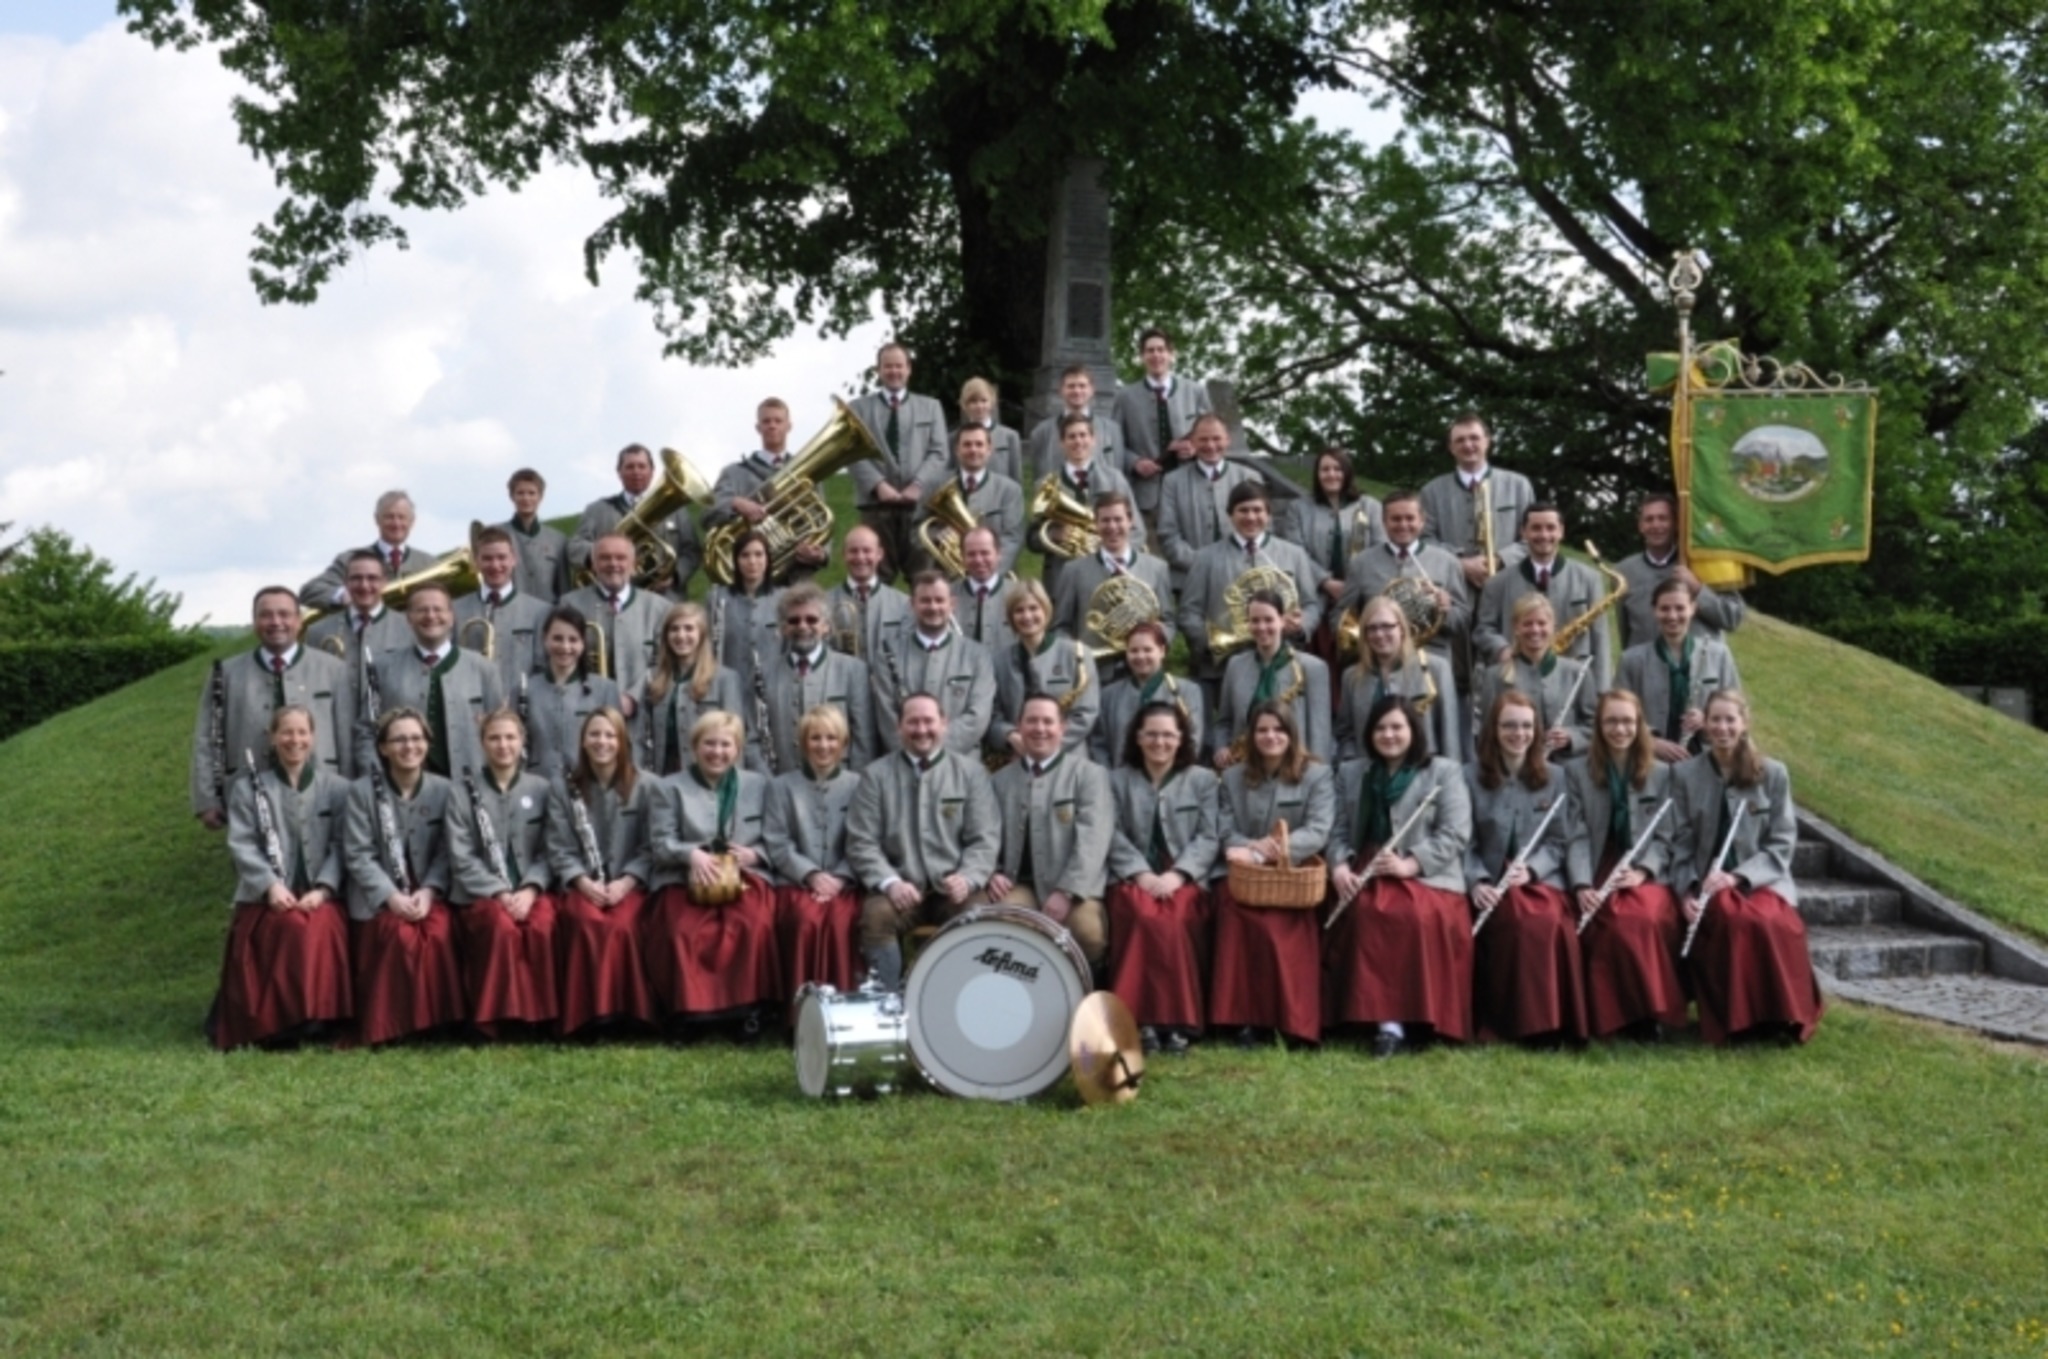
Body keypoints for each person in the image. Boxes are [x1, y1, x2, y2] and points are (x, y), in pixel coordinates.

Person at [1670, 690, 1824, 1045]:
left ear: (1744, 723)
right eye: (1715, 720)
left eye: (1730, 720)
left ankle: (1781, 1014)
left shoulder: (1772, 773)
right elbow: (1678, 843)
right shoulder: (1684, 775)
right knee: (1732, 918)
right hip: (1708, 882)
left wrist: (1739, 876)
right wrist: (1686, 891)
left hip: (1760, 879)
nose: (1722, 728)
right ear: (1703, 724)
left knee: (1777, 924)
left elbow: (1782, 840)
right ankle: (1740, 1021)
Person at [1324, 694, 1474, 1056]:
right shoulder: (1350, 772)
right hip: (1366, 865)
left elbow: (1455, 833)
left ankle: (1406, 1021)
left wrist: (1411, 864)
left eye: (1397, 727)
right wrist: (1339, 866)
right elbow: (1337, 830)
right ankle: (1379, 1021)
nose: (1389, 735)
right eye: (1381, 728)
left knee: (1411, 916)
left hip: (1426, 873)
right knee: (1364, 914)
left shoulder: (1443, 771)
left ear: (1413, 730)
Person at [211, 704, 352, 1050]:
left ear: (313, 738)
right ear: (272, 738)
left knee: (320, 925)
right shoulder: (247, 789)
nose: (295, 740)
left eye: (302, 732)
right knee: (286, 927)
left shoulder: (337, 788)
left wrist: (323, 889)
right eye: (286, 732)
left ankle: (319, 1019)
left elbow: (343, 845)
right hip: (266, 894)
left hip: (319, 892)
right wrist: (271, 886)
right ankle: (280, 1023)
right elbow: (242, 844)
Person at [845, 692, 1003, 988]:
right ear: (899, 727)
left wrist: (968, 878)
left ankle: (966, 997)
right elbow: (861, 842)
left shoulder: (971, 774)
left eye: (929, 721)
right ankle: (888, 1001)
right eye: (912, 722)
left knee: (978, 915)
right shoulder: (875, 776)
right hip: (901, 889)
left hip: (955, 891)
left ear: (944, 723)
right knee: (876, 916)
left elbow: (985, 839)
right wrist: (890, 882)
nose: (921, 730)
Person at [645, 710, 781, 1038]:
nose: (717, 752)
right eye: (709, 743)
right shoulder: (668, 787)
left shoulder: (759, 785)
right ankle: (689, 1014)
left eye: (726, 744)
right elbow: (660, 843)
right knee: (682, 929)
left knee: (752, 923)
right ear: (694, 746)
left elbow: (776, 836)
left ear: (737, 749)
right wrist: (689, 854)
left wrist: (755, 854)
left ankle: (749, 1012)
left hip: (744, 875)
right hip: (683, 876)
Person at [1208, 702, 1336, 1049]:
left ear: (1292, 734)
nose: (1270, 736)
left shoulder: (1317, 774)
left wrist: (1263, 851)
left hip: (1293, 877)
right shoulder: (1232, 776)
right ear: (1251, 735)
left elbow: (1318, 830)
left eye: (1279, 729)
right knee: (1236, 915)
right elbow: (1223, 828)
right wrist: (1248, 852)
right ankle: (1242, 1020)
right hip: (1242, 876)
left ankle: (1293, 1020)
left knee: (1285, 928)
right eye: (1262, 730)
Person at [1464, 690, 1586, 1045]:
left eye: (1526, 726)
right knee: (1513, 920)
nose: (1518, 733)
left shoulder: (1557, 777)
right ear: (1493, 730)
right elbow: (1465, 842)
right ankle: (1512, 1021)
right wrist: (1477, 881)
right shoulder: (1469, 776)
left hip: (1539, 877)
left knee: (1544, 921)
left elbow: (1560, 841)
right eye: (1509, 726)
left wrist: (1530, 872)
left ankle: (1545, 1023)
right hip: (1490, 877)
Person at [1564, 688, 1687, 1041]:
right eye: (1611, 721)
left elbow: (1667, 836)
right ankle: (1614, 1015)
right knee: (1605, 917)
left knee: (1641, 917)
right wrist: (1582, 884)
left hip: (1646, 869)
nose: (1620, 729)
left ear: (1640, 725)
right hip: (1599, 863)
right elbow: (1575, 835)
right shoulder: (1576, 772)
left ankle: (1646, 1013)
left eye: (1628, 721)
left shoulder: (1663, 774)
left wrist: (1644, 871)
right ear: (1599, 726)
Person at [1104, 700, 1221, 1055]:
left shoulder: (1202, 780)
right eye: (1151, 734)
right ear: (1137, 737)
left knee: (1175, 918)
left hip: (1182, 876)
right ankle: (1141, 1021)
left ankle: (1177, 1023)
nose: (1160, 742)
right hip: (1132, 874)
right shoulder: (1116, 780)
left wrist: (1178, 875)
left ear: (1182, 738)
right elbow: (1110, 832)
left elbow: (1209, 835)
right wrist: (1139, 873)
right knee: (1140, 915)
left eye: (1168, 735)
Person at [344, 707, 463, 1045]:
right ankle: (393, 1025)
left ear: (427, 743)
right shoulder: (361, 792)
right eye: (398, 740)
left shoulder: (445, 790)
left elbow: (447, 851)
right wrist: (391, 896)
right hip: (380, 893)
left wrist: (429, 890)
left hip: (427, 888)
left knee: (437, 930)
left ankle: (438, 1021)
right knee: (396, 933)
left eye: (416, 738)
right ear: (383, 748)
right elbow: (358, 853)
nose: (409, 746)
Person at [191, 586, 353, 828]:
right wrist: (207, 799)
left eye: (284, 614)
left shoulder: (334, 669)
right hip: (249, 798)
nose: (276, 622)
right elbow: (207, 738)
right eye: (266, 615)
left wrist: (352, 791)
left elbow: (348, 734)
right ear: (254, 621)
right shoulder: (225, 673)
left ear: (299, 621)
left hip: (324, 795)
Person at [446, 708, 560, 1038]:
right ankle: (496, 1018)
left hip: (530, 890)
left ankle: (539, 1017)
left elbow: (551, 849)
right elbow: (461, 855)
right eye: (494, 738)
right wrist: (498, 891)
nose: (503, 745)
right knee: (499, 925)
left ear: (523, 741)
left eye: (510, 737)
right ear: (482, 743)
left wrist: (531, 889)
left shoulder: (541, 788)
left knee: (541, 924)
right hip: (482, 893)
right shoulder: (461, 792)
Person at [545, 707, 658, 1037]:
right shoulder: (563, 787)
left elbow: (653, 846)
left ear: (623, 741)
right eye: (594, 734)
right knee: (587, 922)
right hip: (584, 882)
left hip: (631, 882)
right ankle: (588, 1016)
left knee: (623, 924)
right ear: (582, 741)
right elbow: (558, 846)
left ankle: (632, 1014)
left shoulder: (648, 785)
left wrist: (626, 882)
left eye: (610, 735)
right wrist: (581, 881)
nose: (602, 741)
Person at [982, 694, 1115, 972]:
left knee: (1087, 932)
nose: (1039, 728)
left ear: (1062, 728)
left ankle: (1090, 1000)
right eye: (1031, 721)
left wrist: (1067, 891)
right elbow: (984, 834)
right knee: (1001, 923)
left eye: (1047, 721)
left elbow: (1094, 839)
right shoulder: (998, 781)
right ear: (1019, 727)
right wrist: (991, 872)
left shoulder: (1089, 775)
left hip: (1074, 887)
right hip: (1019, 885)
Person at [1177, 480, 1326, 704]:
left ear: (1269, 514)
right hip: (1224, 667)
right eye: (1243, 510)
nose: (1250, 517)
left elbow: (1311, 604)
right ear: (1230, 515)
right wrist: (1213, 643)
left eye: (1257, 510)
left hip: (1282, 661)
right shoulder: (1205, 558)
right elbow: (1189, 612)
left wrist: (1300, 627)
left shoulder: (1294, 554)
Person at [763, 705, 866, 999]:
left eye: (832, 738)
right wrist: (810, 875)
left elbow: (866, 840)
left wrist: (842, 877)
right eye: (815, 738)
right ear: (803, 742)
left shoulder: (860, 785)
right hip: (797, 882)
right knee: (805, 919)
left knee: (841, 920)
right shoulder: (781, 787)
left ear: (844, 743)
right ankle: (800, 1008)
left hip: (846, 882)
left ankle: (845, 1002)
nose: (824, 746)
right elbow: (777, 841)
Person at [372, 582, 505, 780]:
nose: (431, 616)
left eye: (438, 609)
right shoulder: (383, 668)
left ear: (452, 617)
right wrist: (377, 774)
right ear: (408, 618)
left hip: (472, 783)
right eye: (421, 610)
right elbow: (367, 729)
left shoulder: (484, 668)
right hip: (405, 786)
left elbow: (501, 727)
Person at [1472, 502, 1614, 681]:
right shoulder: (1497, 583)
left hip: (1574, 679)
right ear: (1523, 532)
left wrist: (1602, 690)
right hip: (1516, 678)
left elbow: (1600, 638)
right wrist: (1502, 650)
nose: (1544, 535)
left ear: (1561, 531)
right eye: (1536, 528)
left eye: (1550, 528)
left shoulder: (1589, 578)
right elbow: (1483, 630)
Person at [1335, 489, 1470, 676]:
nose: (1403, 525)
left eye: (1410, 518)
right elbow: (1341, 614)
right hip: (1378, 663)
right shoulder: (1362, 563)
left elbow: (1462, 620)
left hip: (1431, 664)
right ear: (1384, 523)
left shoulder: (1448, 562)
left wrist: (1445, 611)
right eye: (1395, 519)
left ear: (1422, 521)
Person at [847, 342, 951, 580]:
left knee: (925, 577)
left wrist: (918, 485)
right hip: (876, 508)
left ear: (909, 369)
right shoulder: (859, 408)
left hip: (921, 508)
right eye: (888, 366)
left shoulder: (931, 407)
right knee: (874, 577)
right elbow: (852, 452)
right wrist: (878, 485)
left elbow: (939, 452)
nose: (894, 371)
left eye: (899, 366)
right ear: (879, 370)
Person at [751, 583, 878, 775]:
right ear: (783, 628)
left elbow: (864, 739)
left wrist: (854, 783)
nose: (803, 626)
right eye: (794, 620)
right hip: (782, 788)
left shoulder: (854, 671)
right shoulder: (763, 674)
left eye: (812, 619)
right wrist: (770, 783)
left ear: (826, 626)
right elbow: (753, 738)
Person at [1616, 577, 1744, 763]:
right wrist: (1650, 742)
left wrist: (1707, 720)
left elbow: (1738, 712)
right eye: (1664, 609)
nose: (1672, 616)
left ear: (1693, 608)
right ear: (1654, 610)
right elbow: (1615, 715)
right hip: (1648, 761)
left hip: (1706, 760)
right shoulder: (1631, 660)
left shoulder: (1719, 654)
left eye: (1680, 608)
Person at [704, 397, 829, 583]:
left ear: (789, 426)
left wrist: (821, 555)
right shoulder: (734, 473)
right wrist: (736, 503)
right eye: (766, 421)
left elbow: (822, 521)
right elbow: (707, 513)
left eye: (778, 421)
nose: (772, 426)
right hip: (749, 580)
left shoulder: (807, 475)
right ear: (758, 428)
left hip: (797, 578)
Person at [1048, 491, 1176, 672]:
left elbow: (1169, 621)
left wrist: (1158, 635)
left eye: (1118, 519)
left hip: (1144, 668)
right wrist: (1074, 652)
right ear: (1095, 524)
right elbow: (1060, 626)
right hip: (1093, 669)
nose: (1112, 526)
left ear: (1130, 521)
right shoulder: (1073, 570)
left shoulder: (1157, 568)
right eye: (1105, 520)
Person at [1281, 448, 1384, 674]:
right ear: (1317, 474)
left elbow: (1380, 548)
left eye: (1337, 468)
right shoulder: (1298, 508)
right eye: (1325, 469)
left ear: (1347, 472)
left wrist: (1353, 586)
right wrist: (1326, 582)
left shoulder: (1370, 506)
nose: (1331, 474)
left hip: (1360, 595)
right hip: (1314, 592)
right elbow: (1295, 551)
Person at [1027, 412, 1147, 600]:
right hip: (1061, 578)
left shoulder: (1114, 479)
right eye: (1071, 436)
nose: (1078, 441)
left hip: (1109, 575)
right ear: (1062, 442)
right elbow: (1032, 540)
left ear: (1093, 440)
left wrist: (1116, 555)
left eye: (1083, 435)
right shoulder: (1045, 485)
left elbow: (1138, 531)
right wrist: (1053, 535)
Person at [874, 571, 996, 754]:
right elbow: (887, 716)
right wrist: (913, 755)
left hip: (961, 765)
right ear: (912, 604)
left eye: (939, 600)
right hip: (903, 762)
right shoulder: (887, 653)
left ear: (952, 604)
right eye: (925, 600)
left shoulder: (978, 655)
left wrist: (934, 755)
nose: (933, 607)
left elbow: (978, 716)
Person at [1212, 588, 1332, 769]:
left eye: (1268, 620)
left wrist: (1316, 775)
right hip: (1245, 766)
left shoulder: (1313, 668)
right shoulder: (1235, 665)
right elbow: (1224, 722)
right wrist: (1221, 747)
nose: (1261, 627)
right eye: (1255, 621)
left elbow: (1320, 734)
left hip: (1293, 769)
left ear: (1282, 621)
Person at [1336, 594, 1460, 765]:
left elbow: (1449, 732)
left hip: (1424, 775)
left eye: (1387, 626)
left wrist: (1448, 778)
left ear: (1402, 629)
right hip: (1369, 778)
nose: (1379, 634)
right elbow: (1345, 733)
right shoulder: (1351, 677)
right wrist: (1351, 763)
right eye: (1372, 628)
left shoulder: (1436, 668)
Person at [624, 601, 745, 776]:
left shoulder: (725, 679)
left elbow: (736, 738)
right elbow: (639, 739)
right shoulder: (653, 678)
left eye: (689, 628)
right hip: (663, 777)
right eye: (674, 629)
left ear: (702, 634)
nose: (681, 635)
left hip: (708, 777)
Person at [567, 442, 702, 597]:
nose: (636, 472)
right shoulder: (597, 509)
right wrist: (603, 556)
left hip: (665, 599)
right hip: (611, 598)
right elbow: (575, 546)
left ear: (652, 471)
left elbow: (692, 551)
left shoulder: (677, 511)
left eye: (642, 466)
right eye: (630, 467)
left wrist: (674, 576)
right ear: (619, 472)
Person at [1418, 413, 1534, 590]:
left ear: (1487, 441)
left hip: (1508, 588)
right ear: (1451, 447)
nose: (1468, 445)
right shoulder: (1431, 491)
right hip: (1453, 590)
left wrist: (1499, 559)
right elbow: (1425, 540)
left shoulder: (1518, 486)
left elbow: (1532, 538)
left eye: (1474, 438)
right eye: (1460, 440)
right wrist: (1460, 563)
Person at [1472, 593, 1596, 759]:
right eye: (1527, 624)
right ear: (1516, 628)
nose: (1535, 630)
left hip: (1566, 772)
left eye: (1541, 623)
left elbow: (1595, 727)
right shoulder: (1494, 676)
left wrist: (1571, 736)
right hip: (1515, 770)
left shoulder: (1577, 673)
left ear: (1553, 626)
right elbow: (1486, 733)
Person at [988, 579, 1100, 762]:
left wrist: (1045, 749)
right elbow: (993, 714)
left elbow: (1086, 713)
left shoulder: (1077, 654)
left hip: (1069, 758)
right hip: (1019, 759)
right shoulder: (999, 661)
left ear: (1046, 611)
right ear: (1010, 617)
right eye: (1019, 610)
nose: (1027, 616)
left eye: (1034, 608)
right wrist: (1010, 736)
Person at [1615, 492, 1746, 648]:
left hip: (1699, 667)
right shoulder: (1624, 572)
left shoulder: (1703, 562)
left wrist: (1697, 589)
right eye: (1649, 519)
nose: (1656, 525)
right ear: (1640, 526)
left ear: (1676, 523)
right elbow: (1625, 633)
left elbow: (1733, 618)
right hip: (1648, 669)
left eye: (1663, 518)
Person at [1112, 326, 1213, 529]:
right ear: (1142, 356)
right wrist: (1135, 463)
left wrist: (1195, 448)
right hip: (1146, 497)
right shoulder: (1125, 397)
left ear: (1171, 354)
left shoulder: (1195, 391)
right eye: (1150, 351)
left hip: (1189, 490)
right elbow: (1114, 443)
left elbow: (1213, 435)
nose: (1156, 355)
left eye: (1161, 349)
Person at [1156, 413, 1260, 595]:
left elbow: (1262, 529)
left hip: (1242, 579)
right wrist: (1202, 565)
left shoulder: (1249, 478)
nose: (1210, 445)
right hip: (1189, 581)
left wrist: (1233, 564)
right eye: (1203, 439)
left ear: (1227, 440)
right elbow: (1168, 535)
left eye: (1216, 439)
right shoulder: (1172, 481)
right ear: (1193, 443)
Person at [560, 533, 670, 695]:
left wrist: (633, 698)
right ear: (593, 565)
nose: (613, 563)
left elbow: (665, 664)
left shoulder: (661, 608)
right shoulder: (569, 604)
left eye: (621, 558)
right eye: (605, 558)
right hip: (588, 707)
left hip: (645, 709)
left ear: (634, 565)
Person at [522, 605, 623, 782]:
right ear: (545, 639)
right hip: (537, 784)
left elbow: (617, 746)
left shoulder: (606, 689)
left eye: (573, 640)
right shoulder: (523, 690)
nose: (565, 646)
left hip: (589, 785)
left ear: (583, 643)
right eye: (557, 639)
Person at [913, 421, 1024, 576]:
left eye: (979, 444)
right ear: (957, 450)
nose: (973, 450)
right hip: (946, 578)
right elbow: (915, 532)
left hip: (994, 577)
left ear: (989, 449)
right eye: (967, 444)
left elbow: (1013, 539)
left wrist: (990, 572)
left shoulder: (1009, 490)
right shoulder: (933, 484)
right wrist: (936, 535)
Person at [1093, 620, 1206, 768]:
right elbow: (1098, 744)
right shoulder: (1108, 695)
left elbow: (1193, 740)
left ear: (1162, 651)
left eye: (1147, 650)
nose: (1140, 656)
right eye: (1134, 651)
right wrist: (1110, 778)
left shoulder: (1188, 691)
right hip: (1119, 784)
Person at [453, 527, 549, 700]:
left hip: (521, 709)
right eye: (487, 559)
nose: (495, 565)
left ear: (514, 559)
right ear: (476, 562)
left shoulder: (541, 611)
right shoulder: (454, 610)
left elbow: (543, 669)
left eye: (502, 557)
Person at [298, 489, 426, 608]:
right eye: (389, 517)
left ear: (412, 522)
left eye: (401, 517)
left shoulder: (428, 564)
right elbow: (310, 590)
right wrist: (343, 595)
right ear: (377, 519)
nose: (396, 523)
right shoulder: (349, 560)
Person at [704, 529, 783, 696]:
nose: (752, 561)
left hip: (773, 690)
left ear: (768, 559)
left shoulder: (784, 598)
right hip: (729, 690)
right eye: (745, 555)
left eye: (759, 554)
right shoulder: (717, 598)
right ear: (736, 561)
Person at [823, 525, 912, 663]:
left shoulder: (903, 603)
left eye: (867, 551)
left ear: (879, 554)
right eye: (853, 551)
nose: (860, 557)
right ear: (843, 555)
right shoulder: (823, 602)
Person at [1024, 364, 1123, 486]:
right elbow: (1039, 477)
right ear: (1061, 390)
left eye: (1082, 386)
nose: (1077, 391)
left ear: (1092, 390)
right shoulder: (1041, 432)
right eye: (1071, 386)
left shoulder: (1112, 430)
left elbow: (1119, 473)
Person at [498, 467, 571, 601]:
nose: (526, 498)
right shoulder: (497, 535)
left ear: (541, 496)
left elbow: (564, 589)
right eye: (520, 493)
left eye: (532, 493)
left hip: (548, 615)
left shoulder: (558, 540)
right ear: (511, 496)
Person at [951, 526, 1019, 653]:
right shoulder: (947, 596)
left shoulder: (1018, 595)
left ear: (999, 554)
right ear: (962, 556)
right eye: (971, 554)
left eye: (985, 553)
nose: (978, 560)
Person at [954, 376, 1026, 485]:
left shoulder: (1010, 436)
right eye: (973, 401)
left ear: (992, 402)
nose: (979, 406)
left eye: (984, 401)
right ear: (964, 405)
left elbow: (1016, 479)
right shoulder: (953, 438)